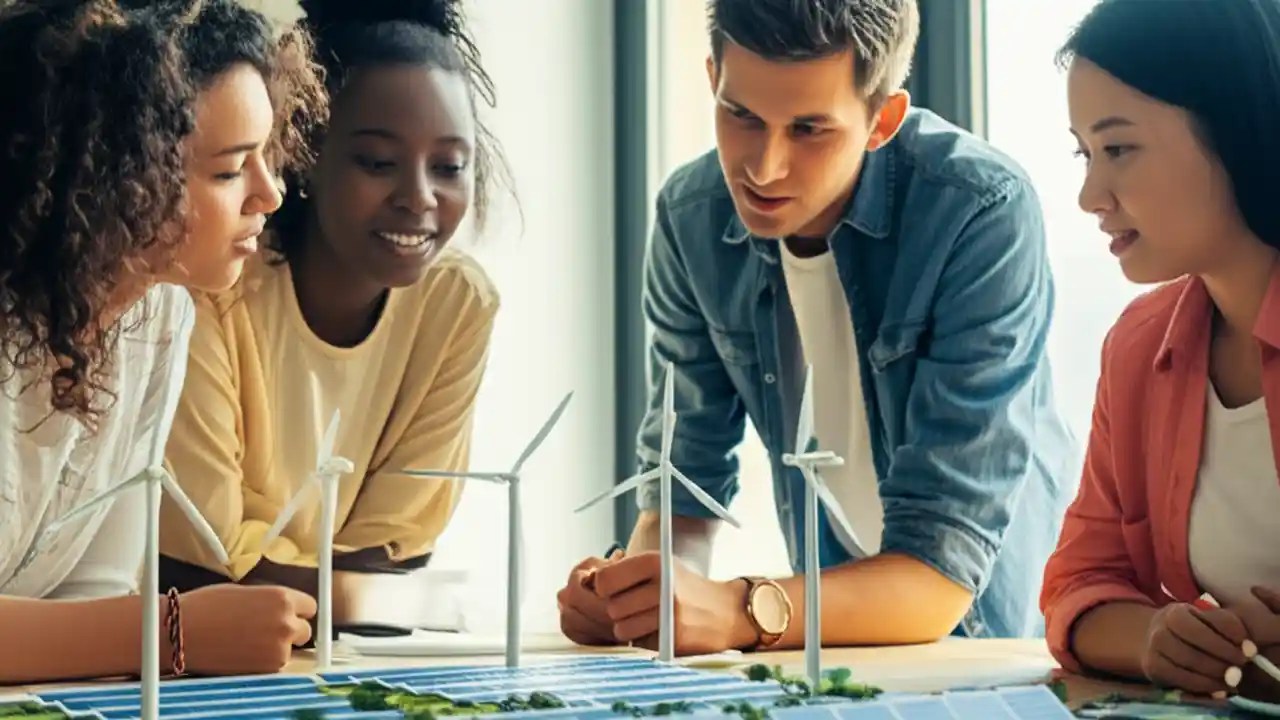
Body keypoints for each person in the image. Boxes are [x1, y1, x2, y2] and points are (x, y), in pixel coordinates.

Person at [557, 0, 1077, 655]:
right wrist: (636, 600)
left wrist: (736, 608)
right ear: (713, 75)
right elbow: (683, 490)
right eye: (741, 115)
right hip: (833, 636)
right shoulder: (691, 218)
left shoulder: (978, 211)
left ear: (882, 120)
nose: (763, 168)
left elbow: (941, 572)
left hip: (1001, 643)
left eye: (809, 130)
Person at [0, 0, 326, 683]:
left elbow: (94, 588)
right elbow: (118, 627)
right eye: (230, 169)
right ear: (113, 179)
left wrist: (150, 633)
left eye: (267, 157)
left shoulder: (159, 317)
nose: (270, 195)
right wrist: (172, 630)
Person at [158, 0, 506, 626]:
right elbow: (199, 560)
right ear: (304, 154)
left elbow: (397, 549)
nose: (420, 198)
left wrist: (356, 591)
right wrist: (356, 595)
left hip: (325, 654)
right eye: (377, 163)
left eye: (450, 166)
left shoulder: (456, 304)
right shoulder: (209, 285)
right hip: (182, 654)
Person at [1040, 0, 1280, 701]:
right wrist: (1154, 640)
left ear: (1236, 127)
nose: (1090, 194)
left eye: (1118, 149)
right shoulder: (1139, 347)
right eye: (1085, 153)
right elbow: (1080, 580)